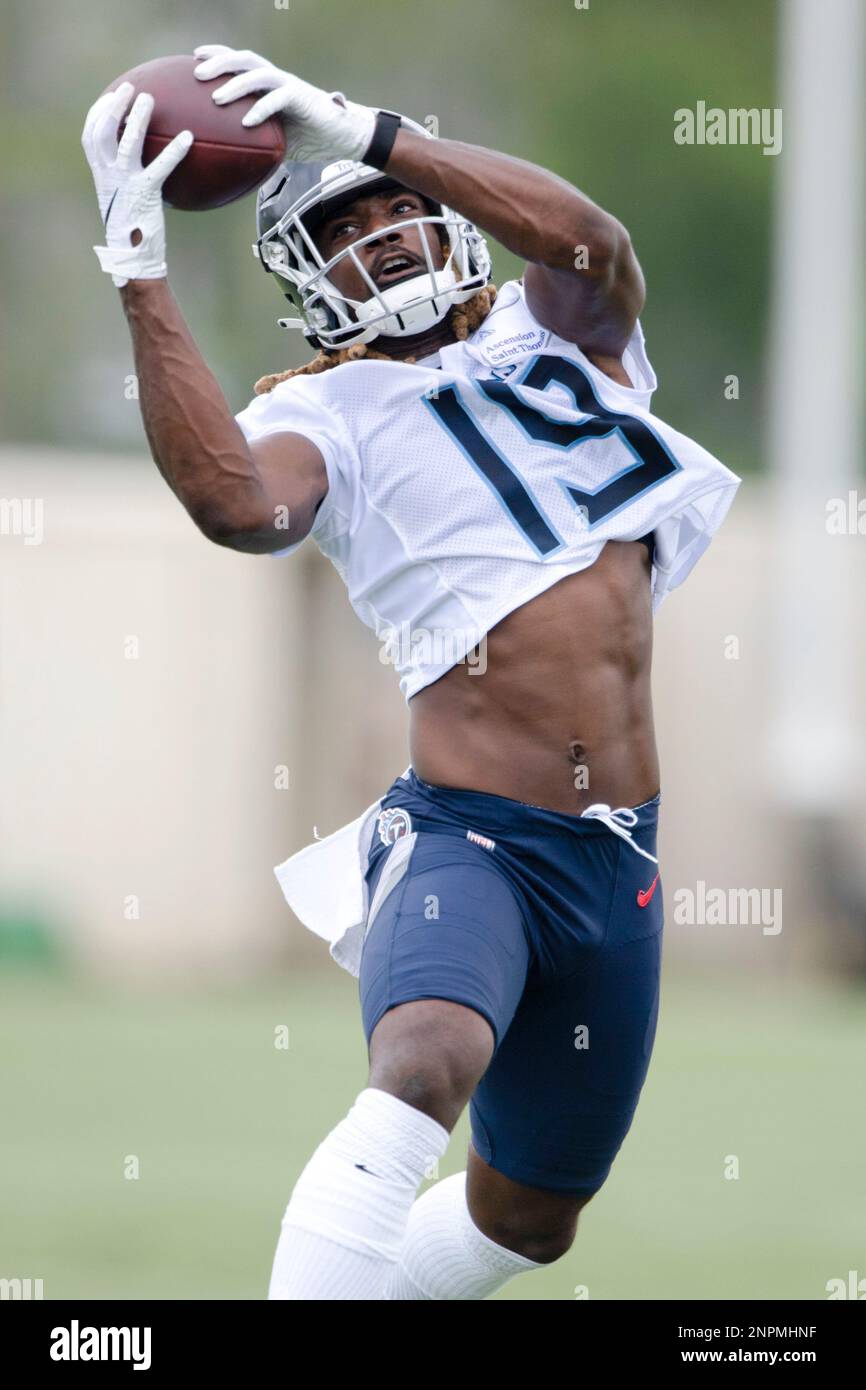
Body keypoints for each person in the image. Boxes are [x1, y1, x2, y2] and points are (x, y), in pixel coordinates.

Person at [81, 42, 740, 1301]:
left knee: (528, 1221)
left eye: (399, 212)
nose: (380, 235)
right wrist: (140, 276)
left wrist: (368, 137)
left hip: (619, 852)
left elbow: (591, 242)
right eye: (346, 227)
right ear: (303, 278)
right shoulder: (320, 415)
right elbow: (233, 507)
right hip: (472, 838)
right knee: (424, 1063)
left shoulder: (567, 337)